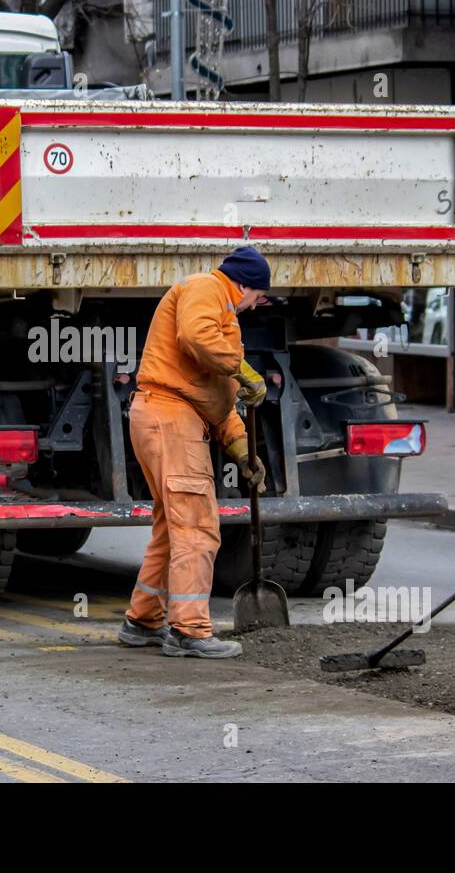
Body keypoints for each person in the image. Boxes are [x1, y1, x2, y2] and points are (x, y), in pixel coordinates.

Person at [119, 245, 269, 659]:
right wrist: (244, 370)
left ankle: (143, 620)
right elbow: (197, 337)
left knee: (173, 526)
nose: (256, 306)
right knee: (198, 526)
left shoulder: (223, 312)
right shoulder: (207, 287)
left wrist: (241, 448)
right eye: (258, 297)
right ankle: (190, 630)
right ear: (243, 283)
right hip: (170, 417)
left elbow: (219, 395)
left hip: (168, 417)